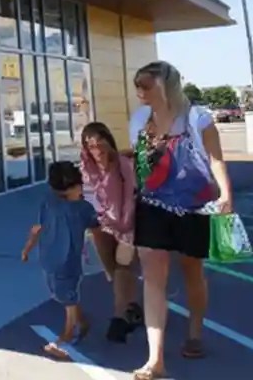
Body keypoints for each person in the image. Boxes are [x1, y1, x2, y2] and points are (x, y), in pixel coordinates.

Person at [129, 61, 234, 380]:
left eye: (146, 85)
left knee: (192, 270)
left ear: (167, 86)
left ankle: (194, 331)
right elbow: (139, 163)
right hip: (151, 206)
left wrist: (226, 195)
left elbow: (216, 160)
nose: (140, 91)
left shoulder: (197, 119)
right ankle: (155, 359)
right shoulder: (139, 120)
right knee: (152, 277)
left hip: (193, 207)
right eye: (137, 85)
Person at [21, 161, 101, 361]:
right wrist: (27, 248)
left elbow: (97, 231)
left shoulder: (81, 208)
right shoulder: (53, 203)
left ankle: (66, 336)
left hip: (68, 261)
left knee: (67, 297)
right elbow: (38, 228)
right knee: (64, 295)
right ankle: (82, 322)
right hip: (50, 259)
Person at [79, 121, 143, 343]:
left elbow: (134, 193)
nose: (96, 149)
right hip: (100, 227)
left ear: (109, 141)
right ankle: (131, 308)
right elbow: (82, 199)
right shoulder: (85, 169)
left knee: (123, 267)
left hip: (127, 224)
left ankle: (119, 319)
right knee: (114, 272)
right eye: (91, 145)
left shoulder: (124, 165)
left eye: (100, 143)